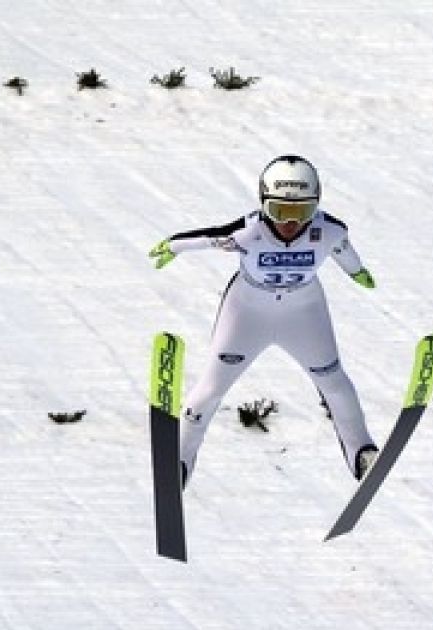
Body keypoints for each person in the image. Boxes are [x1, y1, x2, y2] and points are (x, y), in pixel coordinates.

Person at [148, 155, 379, 486]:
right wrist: (173, 247)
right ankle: (179, 462)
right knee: (210, 390)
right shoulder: (249, 232)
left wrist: (358, 272)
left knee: (335, 384)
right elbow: (210, 236)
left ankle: (363, 453)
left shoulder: (328, 230)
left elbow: (343, 249)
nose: (289, 222)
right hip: (247, 314)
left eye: (301, 212)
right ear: (263, 204)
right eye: (279, 211)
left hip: (303, 313)